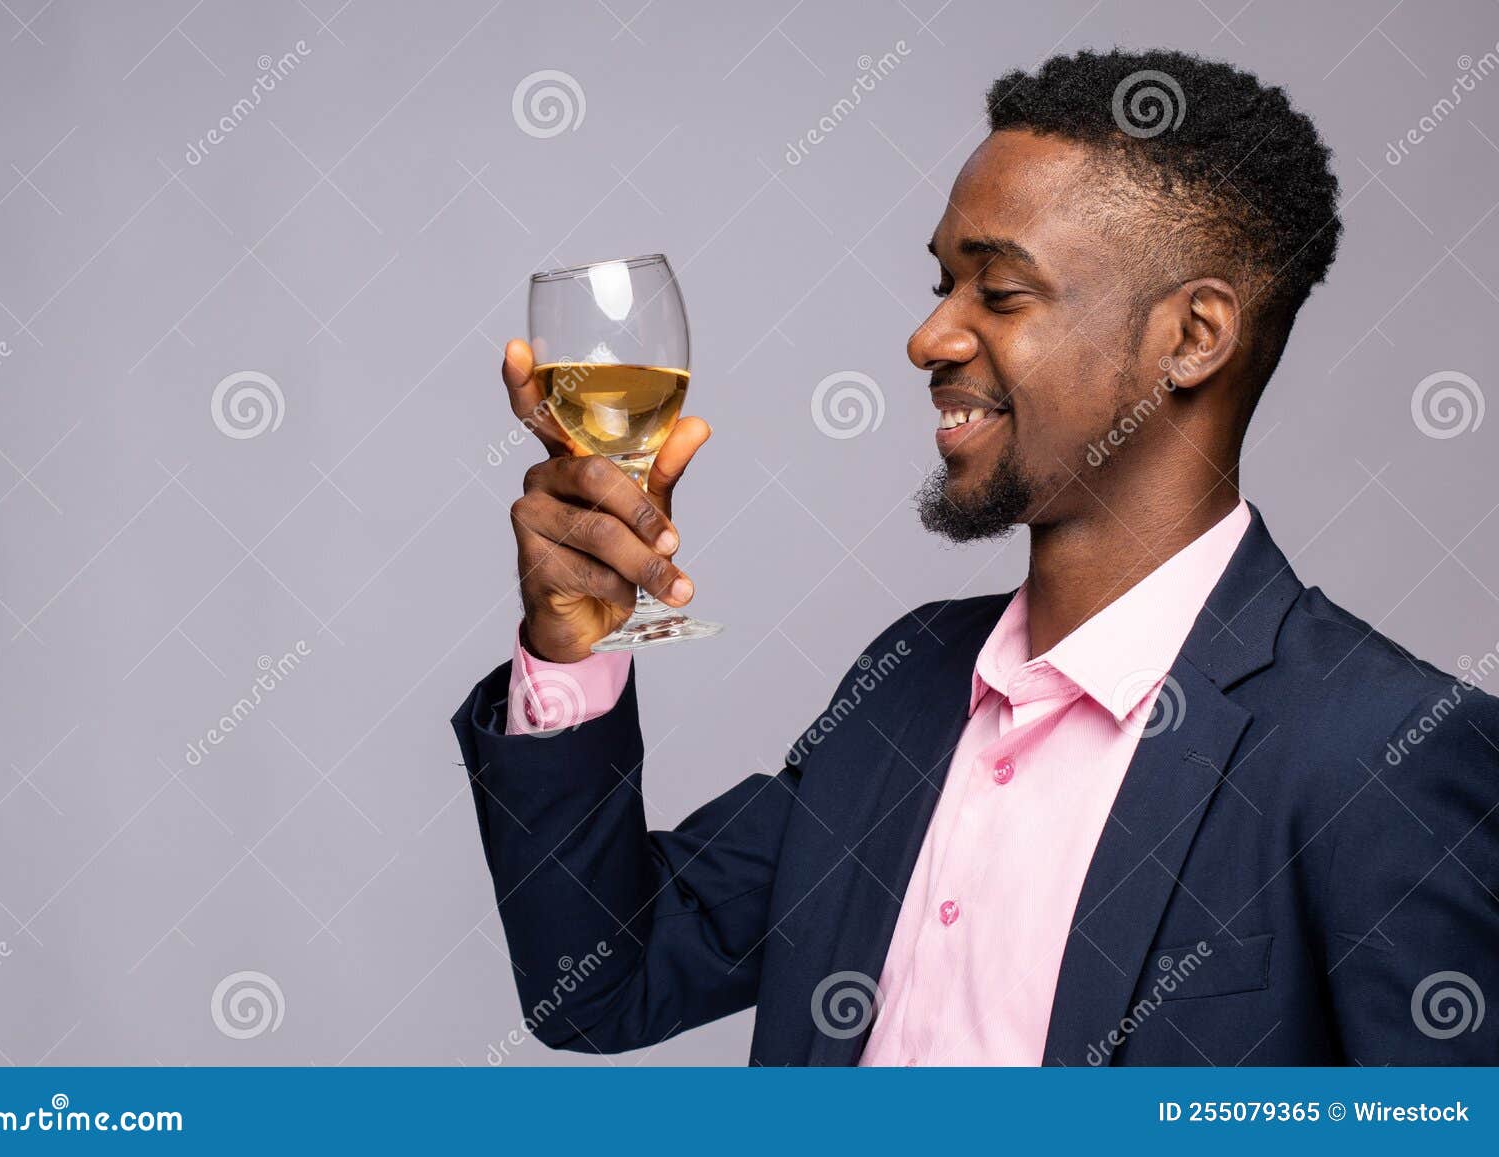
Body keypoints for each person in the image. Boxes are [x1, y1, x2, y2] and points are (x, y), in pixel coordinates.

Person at [452, 47, 1499, 1065]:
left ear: (1192, 337)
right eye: (942, 284)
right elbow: (599, 982)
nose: (928, 338)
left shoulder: (1383, 755)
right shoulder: (906, 678)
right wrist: (573, 644)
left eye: (998, 293)